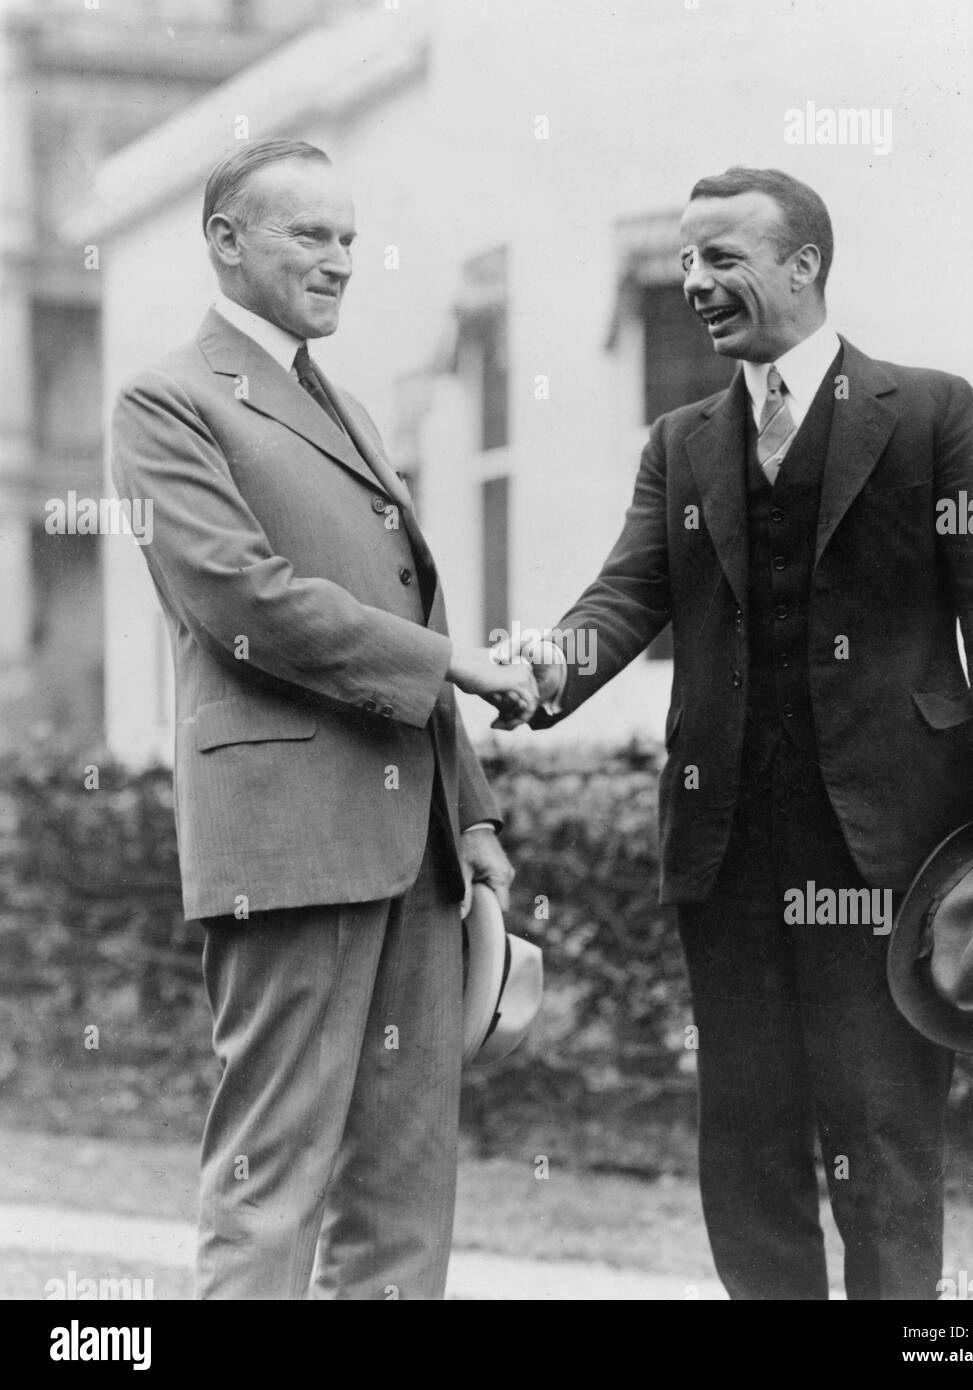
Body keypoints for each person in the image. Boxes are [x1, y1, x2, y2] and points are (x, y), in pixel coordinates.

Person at [494, 167, 973, 1300]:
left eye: (720, 258)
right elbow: (622, 599)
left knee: (882, 1139)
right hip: (729, 852)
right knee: (744, 1148)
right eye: (686, 259)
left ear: (803, 265)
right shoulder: (682, 442)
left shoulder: (930, 412)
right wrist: (537, 673)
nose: (693, 281)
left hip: (889, 854)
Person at [111, 137, 538, 1300]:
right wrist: (461, 667)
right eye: (312, 234)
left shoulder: (341, 403)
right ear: (226, 242)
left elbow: (404, 606)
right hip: (289, 846)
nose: (342, 259)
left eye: (350, 236)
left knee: (405, 1192)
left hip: (417, 851)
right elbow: (244, 600)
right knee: (273, 1179)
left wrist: (479, 824)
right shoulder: (168, 400)